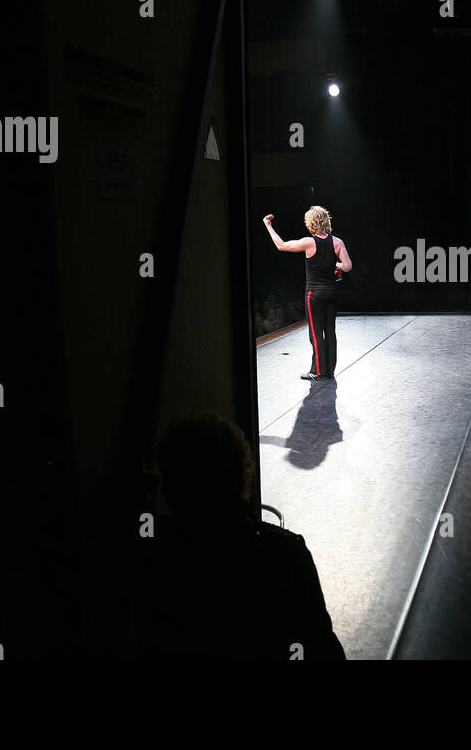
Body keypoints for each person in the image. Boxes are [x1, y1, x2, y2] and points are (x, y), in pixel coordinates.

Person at [136, 414, 346, 660]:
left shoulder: (165, 552)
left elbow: (145, 534)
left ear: (175, 490)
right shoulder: (286, 553)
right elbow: (321, 647)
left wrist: (145, 501)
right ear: (239, 477)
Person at [262, 206, 353, 380]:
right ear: (326, 221)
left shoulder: (308, 242)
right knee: (330, 331)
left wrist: (268, 225)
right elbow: (348, 267)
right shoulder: (337, 242)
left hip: (314, 294)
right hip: (332, 292)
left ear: (311, 223)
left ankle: (318, 371)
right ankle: (329, 370)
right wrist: (338, 265)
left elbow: (281, 246)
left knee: (316, 332)